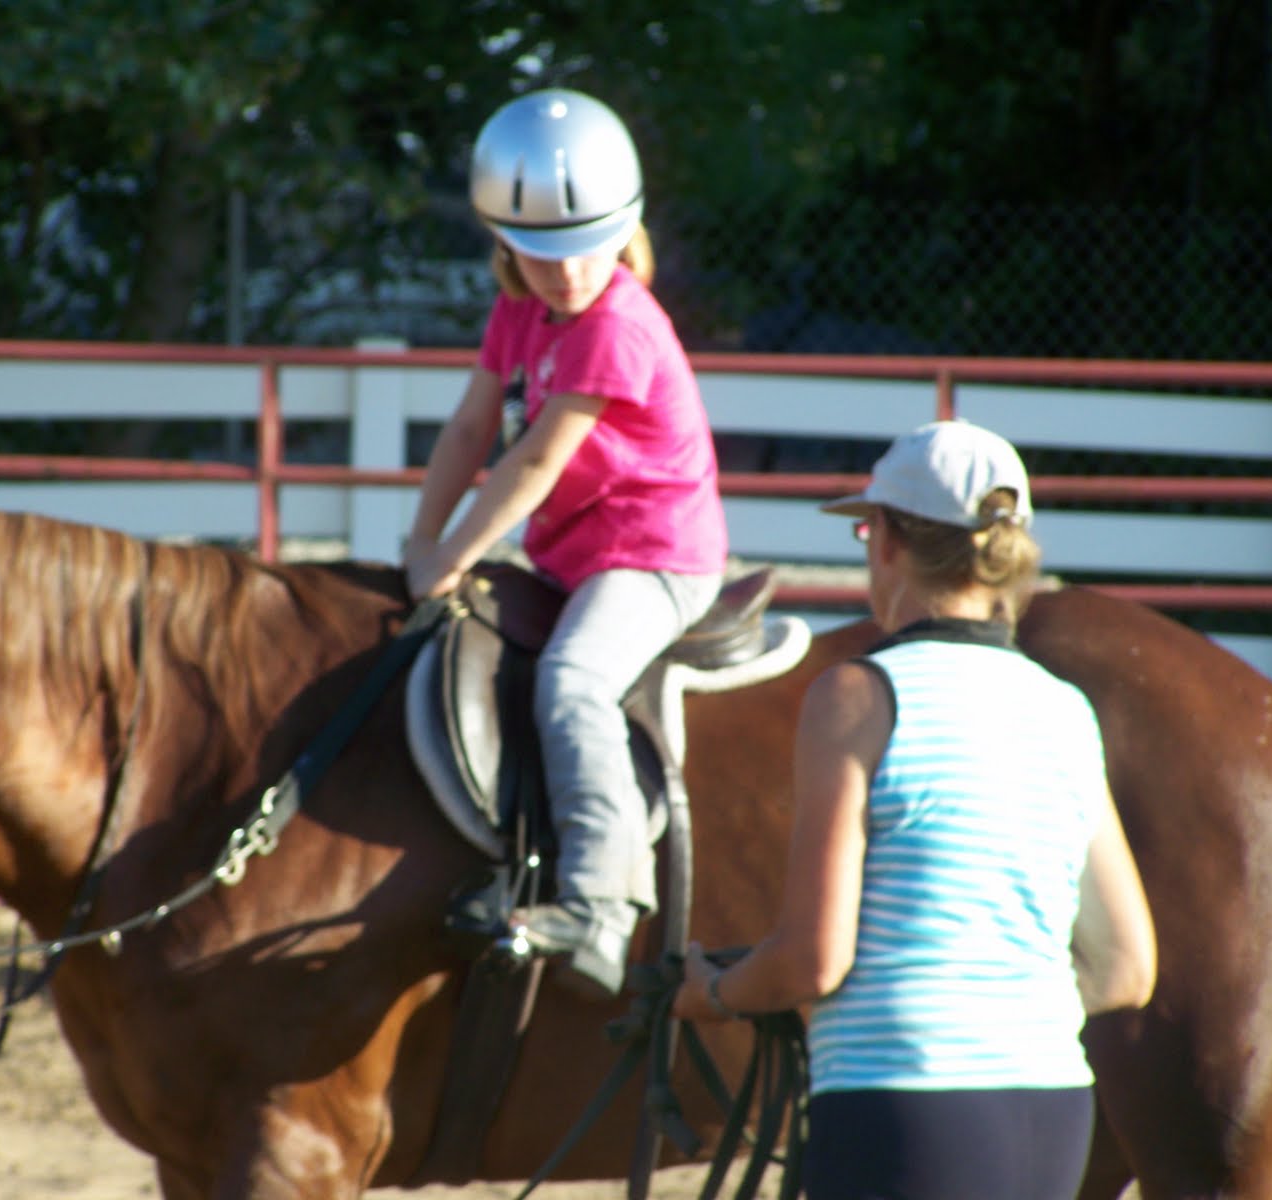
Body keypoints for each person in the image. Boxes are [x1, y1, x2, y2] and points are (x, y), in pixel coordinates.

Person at [672, 418, 1156, 1200]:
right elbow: (1127, 967)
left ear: (890, 540)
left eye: (868, 530)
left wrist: (713, 993)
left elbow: (815, 960)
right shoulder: (1064, 708)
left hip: (904, 1102)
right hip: (1052, 1106)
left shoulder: (858, 696)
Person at [403, 87, 729, 999]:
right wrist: (420, 542)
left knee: (575, 680)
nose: (567, 273)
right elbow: (471, 428)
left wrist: (452, 557)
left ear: (625, 232)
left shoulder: (617, 321)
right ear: (503, 246)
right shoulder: (518, 312)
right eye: (540, 254)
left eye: (590, 247)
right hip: (575, 556)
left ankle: (600, 905)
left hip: (655, 556)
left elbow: (538, 458)